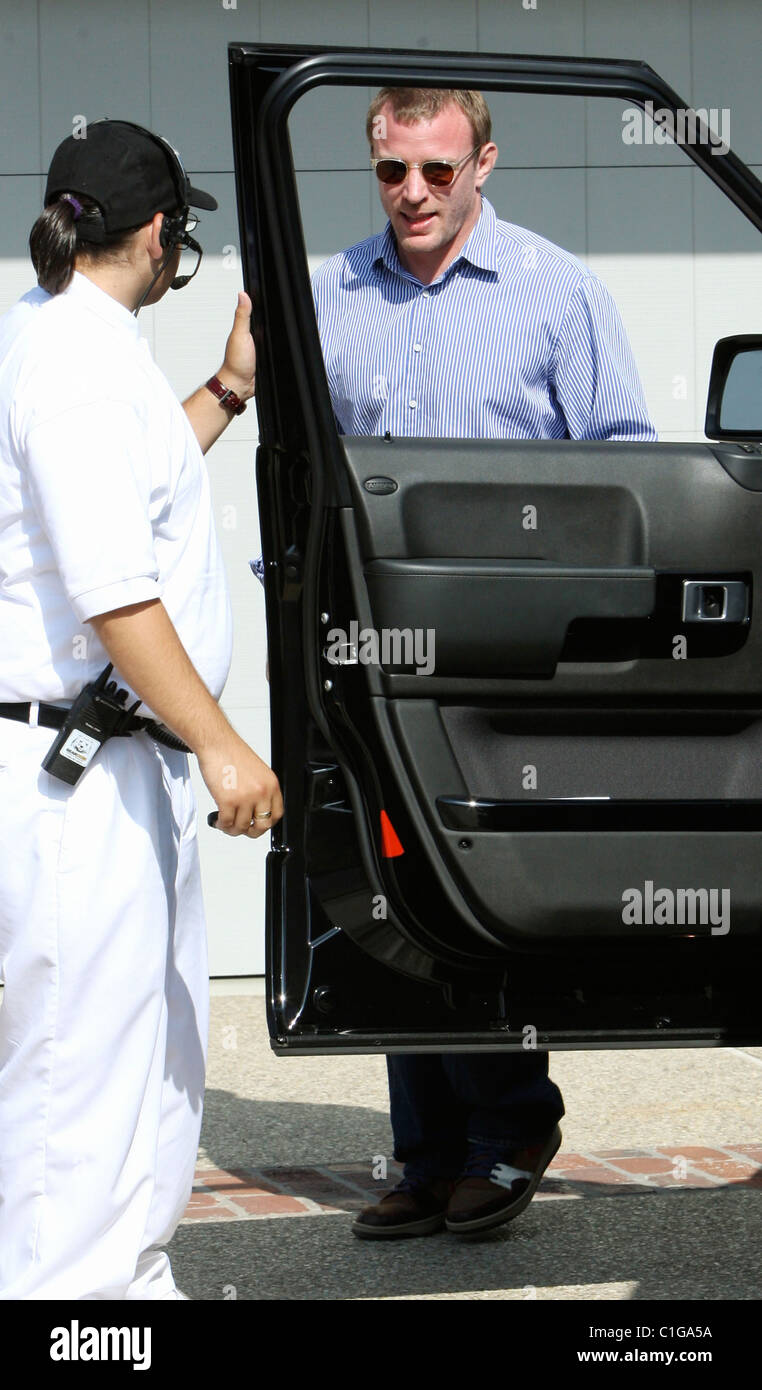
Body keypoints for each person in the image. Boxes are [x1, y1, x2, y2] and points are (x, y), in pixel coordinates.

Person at [309, 87, 656, 1239]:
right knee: (391, 890)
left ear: (483, 163)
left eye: (439, 172)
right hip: (368, 648)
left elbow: (621, 461)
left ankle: (509, 1125)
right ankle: (424, 1146)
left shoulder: (556, 290)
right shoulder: (331, 293)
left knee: (481, 890)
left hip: (504, 656)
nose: (414, 193)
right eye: (393, 171)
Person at [0, 119, 282, 1299]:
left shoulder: (60, 336)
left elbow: (136, 468)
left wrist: (229, 389)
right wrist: (225, 748)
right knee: (78, 1098)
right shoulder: (74, 361)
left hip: (105, 775)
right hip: (78, 785)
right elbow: (119, 592)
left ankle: (122, 1300)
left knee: (138, 1080)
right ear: (162, 233)